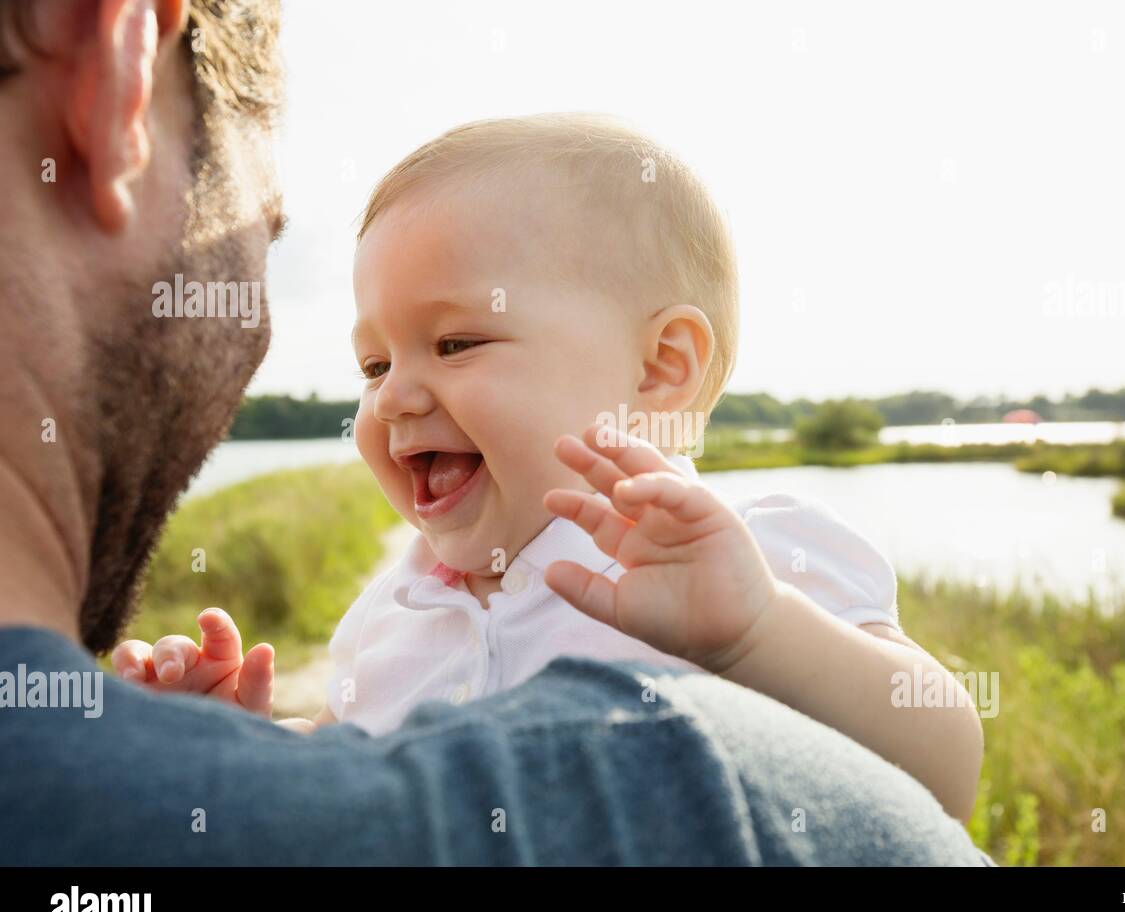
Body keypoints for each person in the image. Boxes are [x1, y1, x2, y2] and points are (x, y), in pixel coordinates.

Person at [0, 0, 992, 865]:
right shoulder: (392, 615)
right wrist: (241, 753)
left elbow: (941, 768)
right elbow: (372, 775)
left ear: (660, 368)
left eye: (458, 340)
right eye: (375, 363)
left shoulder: (748, 557)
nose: (394, 399)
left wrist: (760, 634)